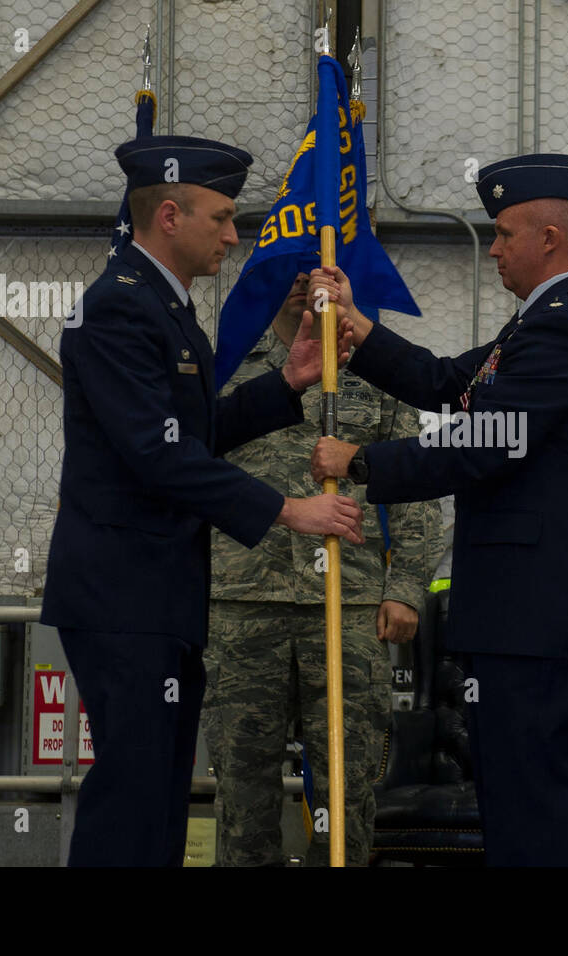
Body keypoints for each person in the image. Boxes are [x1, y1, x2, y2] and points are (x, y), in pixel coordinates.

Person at [40, 134, 364, 867]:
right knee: (132, 789)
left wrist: (285, 385)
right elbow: (159, 457)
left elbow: (195, 431)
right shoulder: (120, 308)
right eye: (219, 218)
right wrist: (288, 509)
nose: (232, 235)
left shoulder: (167, 307)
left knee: (157, 790)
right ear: (168, 218)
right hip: (123, 596)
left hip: (159, 595)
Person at [309, 154, 568, 867]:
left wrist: (359, 462)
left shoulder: (565, 329)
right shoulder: (540, 324)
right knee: (514, 807)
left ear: (549, 238)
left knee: (531, 812)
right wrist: (360, 331)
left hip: (537, 614)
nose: (494, 248)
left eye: (505, 233)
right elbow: (452, 382)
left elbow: (481, 447)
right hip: (523, 613)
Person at [201, 271, 440, 867]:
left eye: (315, 270)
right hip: (240, 604)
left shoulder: (376, 368)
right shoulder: (226, 361)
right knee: (241, 786)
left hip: (347, 606)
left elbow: (413, 484)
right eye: (289, 269)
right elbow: (187, 472)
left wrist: (406, 587)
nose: (303, 283)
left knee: (349, 784)